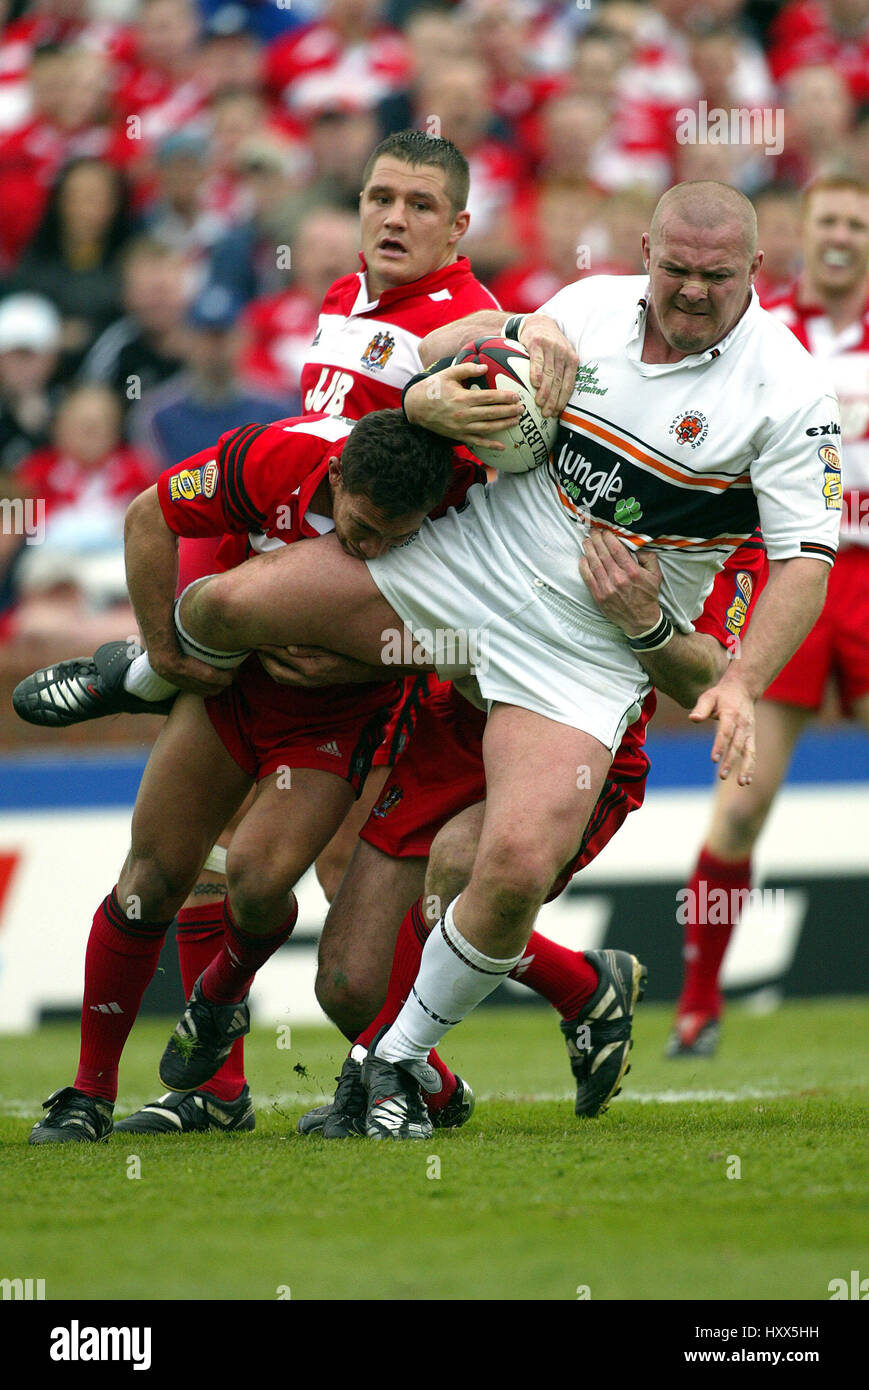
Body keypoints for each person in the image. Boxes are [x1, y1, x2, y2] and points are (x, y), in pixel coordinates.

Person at [166, 180, 840, 1137]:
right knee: (231, 605)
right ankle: (148, 675)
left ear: (755, 272)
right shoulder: (586, 307)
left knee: (509, 863)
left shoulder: (790, 390)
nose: (690, 292)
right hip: (461, 571)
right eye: (675, 270)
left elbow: (803, 562)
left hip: (584, 650)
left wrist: (738, 683)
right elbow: (446, 358)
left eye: (715, 278)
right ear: (645, 251)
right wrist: (485, 346)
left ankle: (394, 1072)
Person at [18, 131, 503, 1134]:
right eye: (379, 197)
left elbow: (497, 367)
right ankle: (111, 1091)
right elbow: (206, 498)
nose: (393, 217)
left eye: (419, 204)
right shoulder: (338, 302)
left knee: (289, 890)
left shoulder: (469, 322)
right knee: (162, 870)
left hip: (380, 641)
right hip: (277, 583)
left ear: (458, 226)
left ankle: (391, 1067)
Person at [27, 408, 454, 1144]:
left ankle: (220, 998)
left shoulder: (458, 504)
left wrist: (355, 659)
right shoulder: (274, 457)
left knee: (257, 880)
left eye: (396, 536)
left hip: (338, 720)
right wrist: (164, 652)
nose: (375, 546)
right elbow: (146, 515)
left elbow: (476, 640)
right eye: (364, 525)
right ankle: (86, 1095)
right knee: (149, 881)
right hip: (232, 686)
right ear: (338, 474)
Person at [667, 174, 869, 1058]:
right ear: (802, 232)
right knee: (743, 801)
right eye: (827, 218)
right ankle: (698, 1004)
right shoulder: (759, 328)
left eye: (855, 224)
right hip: (789, 572)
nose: (839, 235)